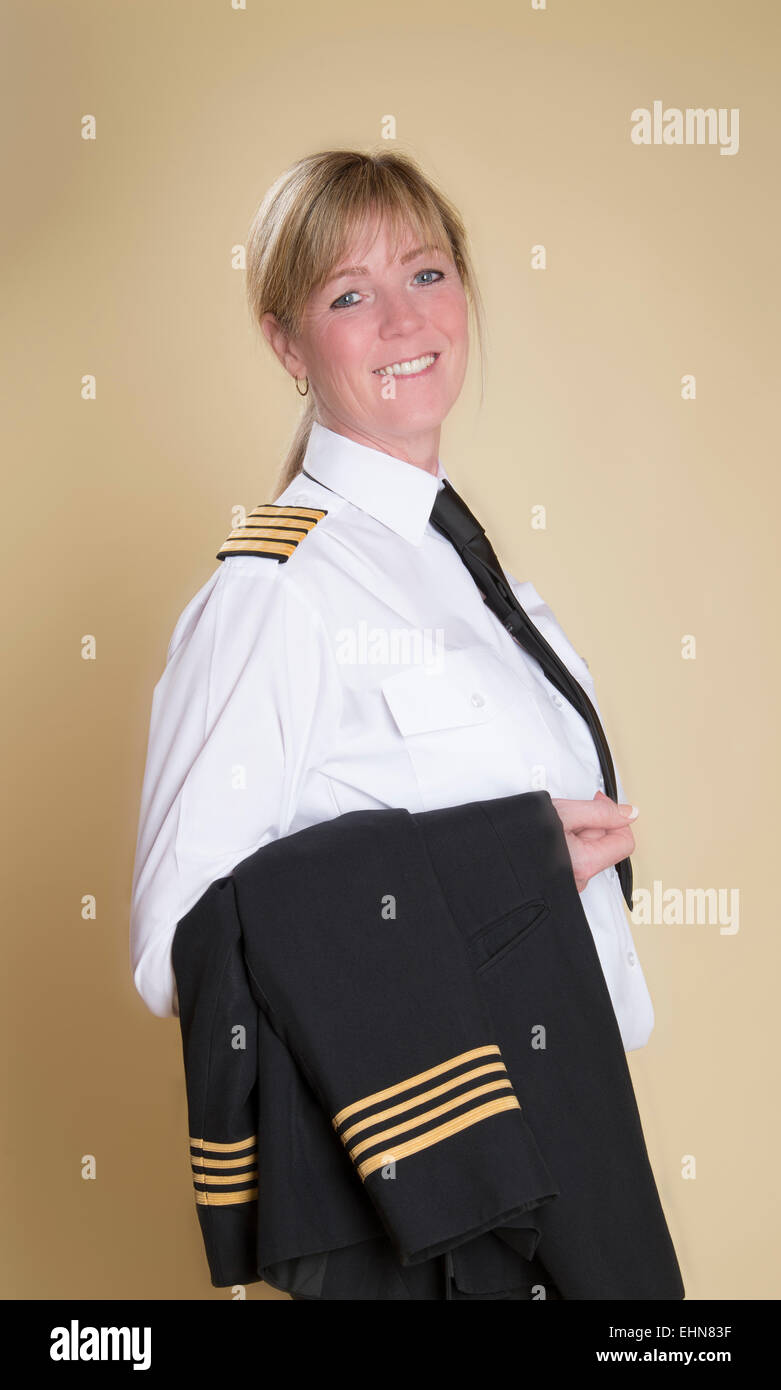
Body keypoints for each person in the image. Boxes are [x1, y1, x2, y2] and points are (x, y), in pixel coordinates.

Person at [129, 148, 653, 1295]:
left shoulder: (464, 569)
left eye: (425, 272)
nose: (402, 319)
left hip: (566, 1145)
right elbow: (184, 948)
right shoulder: (274, 593)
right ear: (286, 342)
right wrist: (495, 868)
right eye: (348, 294)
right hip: (424, 1202)